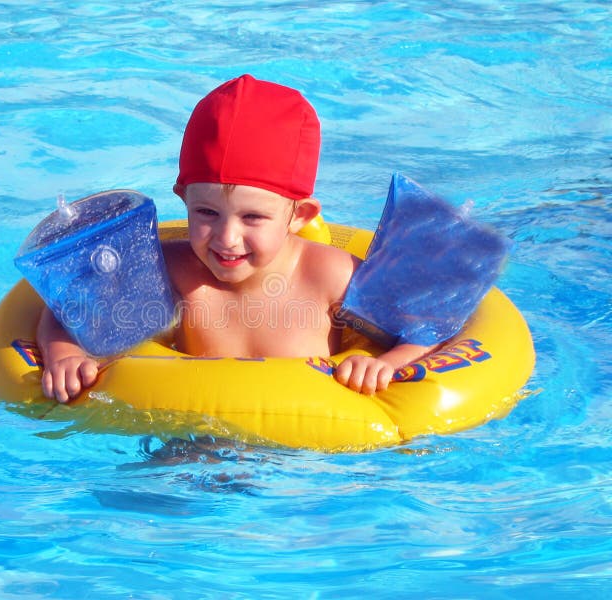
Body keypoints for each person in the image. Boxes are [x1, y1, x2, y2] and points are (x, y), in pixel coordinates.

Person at [37, 74, 433, 403]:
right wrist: (64, 353)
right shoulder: (167, 272)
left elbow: (426, 327)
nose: (227, 238)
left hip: (304, 456)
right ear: (184, 199)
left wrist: (385, 363)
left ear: (301, 215)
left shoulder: (331, 277)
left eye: (253, 217)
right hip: (194, 440)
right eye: (207, 213)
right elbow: (70, 309)